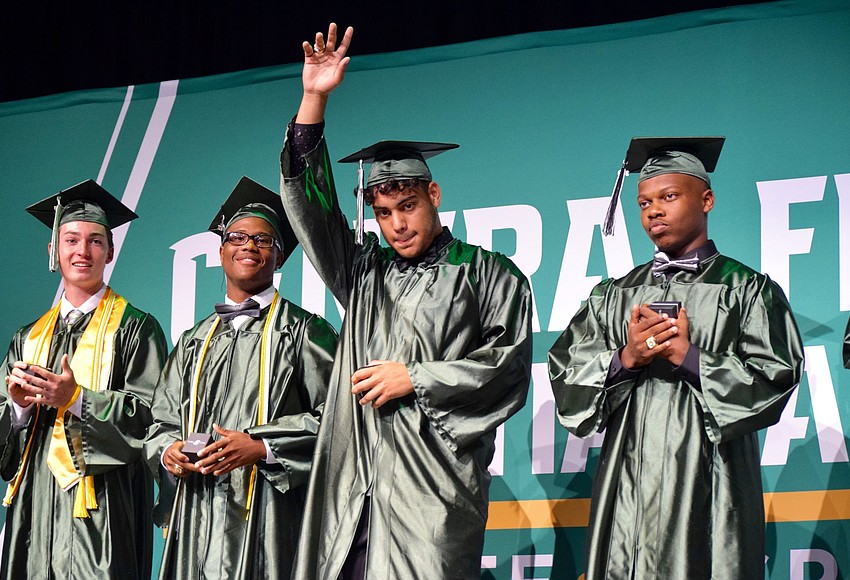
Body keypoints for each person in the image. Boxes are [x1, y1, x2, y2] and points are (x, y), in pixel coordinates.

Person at [280, 23, 533, 580]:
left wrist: (414, 378)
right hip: (354, 489)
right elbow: (314, 210)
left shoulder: (489, 275)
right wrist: (314, 99)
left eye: (409, 206)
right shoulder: (363, 270)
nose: (397, 224)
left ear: (434, 196)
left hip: (432, 493)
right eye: (385, 211)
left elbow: (507, 368)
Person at [548, 137, 805, 579]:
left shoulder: (747, 290)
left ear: (706, 199)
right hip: (627, 483)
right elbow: (566, 370)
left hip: (709, 481)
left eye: (669, 197)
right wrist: (626, 358)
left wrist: (689, 357)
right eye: (644, 202)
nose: (654, 211)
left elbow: (776, 375)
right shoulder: (615, 294)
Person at [144, 176, 337, 579]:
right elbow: (160, 422)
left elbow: (338, 420)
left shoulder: (305, 332)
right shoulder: (194, 340)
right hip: (198, 518)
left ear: (280, 257)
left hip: (271, 518)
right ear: (220, 251)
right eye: (238, 237)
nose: (249, 245)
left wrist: (263, 447)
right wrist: (169, 451)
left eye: (264, 240)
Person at [0, 179, 168, 579]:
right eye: (71, 239)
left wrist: (75, 398)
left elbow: (153, 419)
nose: (83, 251)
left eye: (95, 241)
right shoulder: (27, 337)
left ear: (110, 252)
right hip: (35, 512)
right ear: (54, 251)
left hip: (104, 512)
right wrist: (20, 409)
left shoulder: (137, 328)